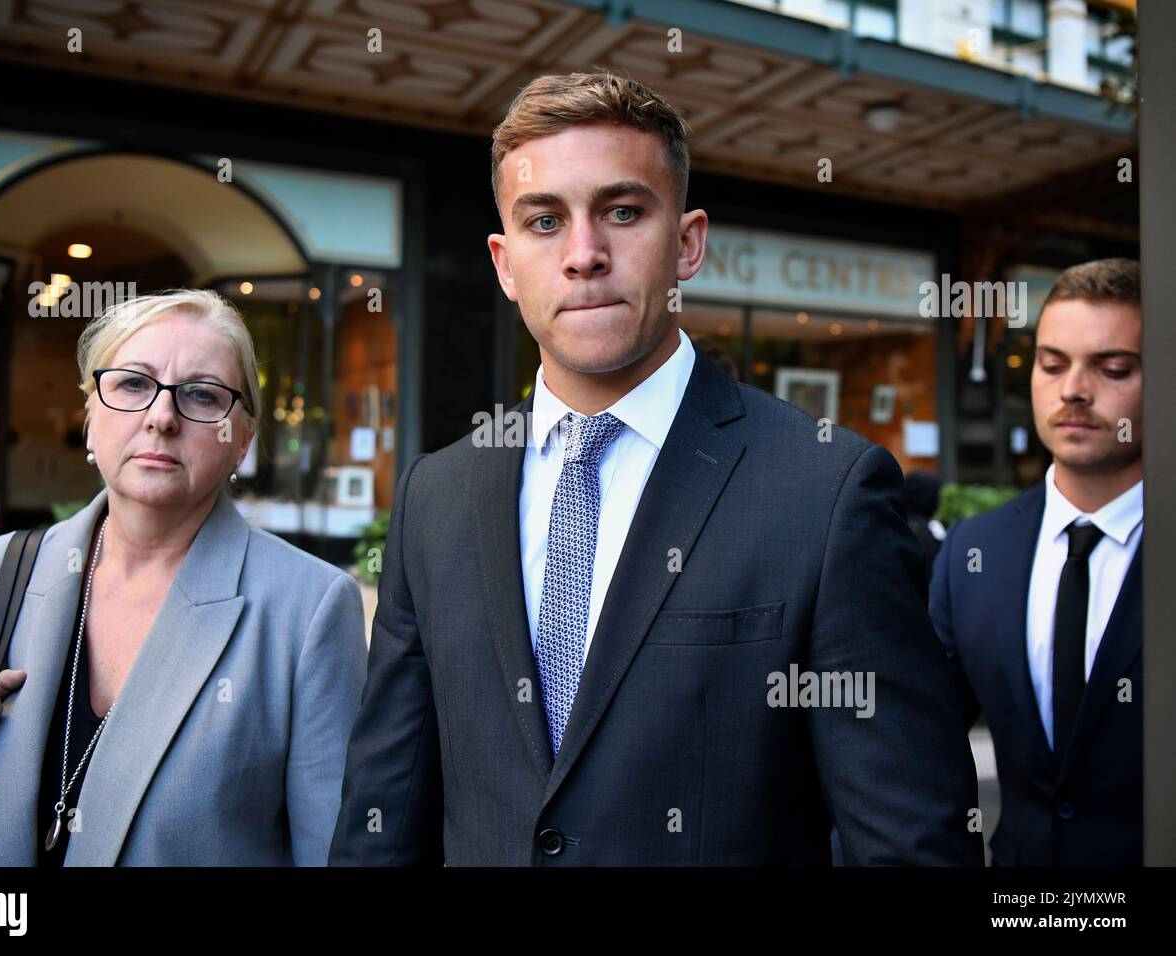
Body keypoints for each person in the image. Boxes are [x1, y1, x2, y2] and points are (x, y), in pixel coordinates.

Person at [329, 71, 982, 866]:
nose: (583, 255)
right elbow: (383, 816)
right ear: (504, 264)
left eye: (624, 211)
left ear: (687, 242)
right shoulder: (436, 496)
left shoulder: (826, 490)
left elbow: (911, 843)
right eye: (544, 221)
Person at [0, 289, 367, 865]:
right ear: (90, 414)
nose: (161, 417)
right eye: (132, 384)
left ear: (243, 437)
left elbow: (330, 851)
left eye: (201, 395)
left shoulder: (310, 608)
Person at [930, 258, 1142, 866]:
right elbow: (919, 749)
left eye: (1114, 368)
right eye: (1052, 365)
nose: (1074, 389)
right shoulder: (975, 553)